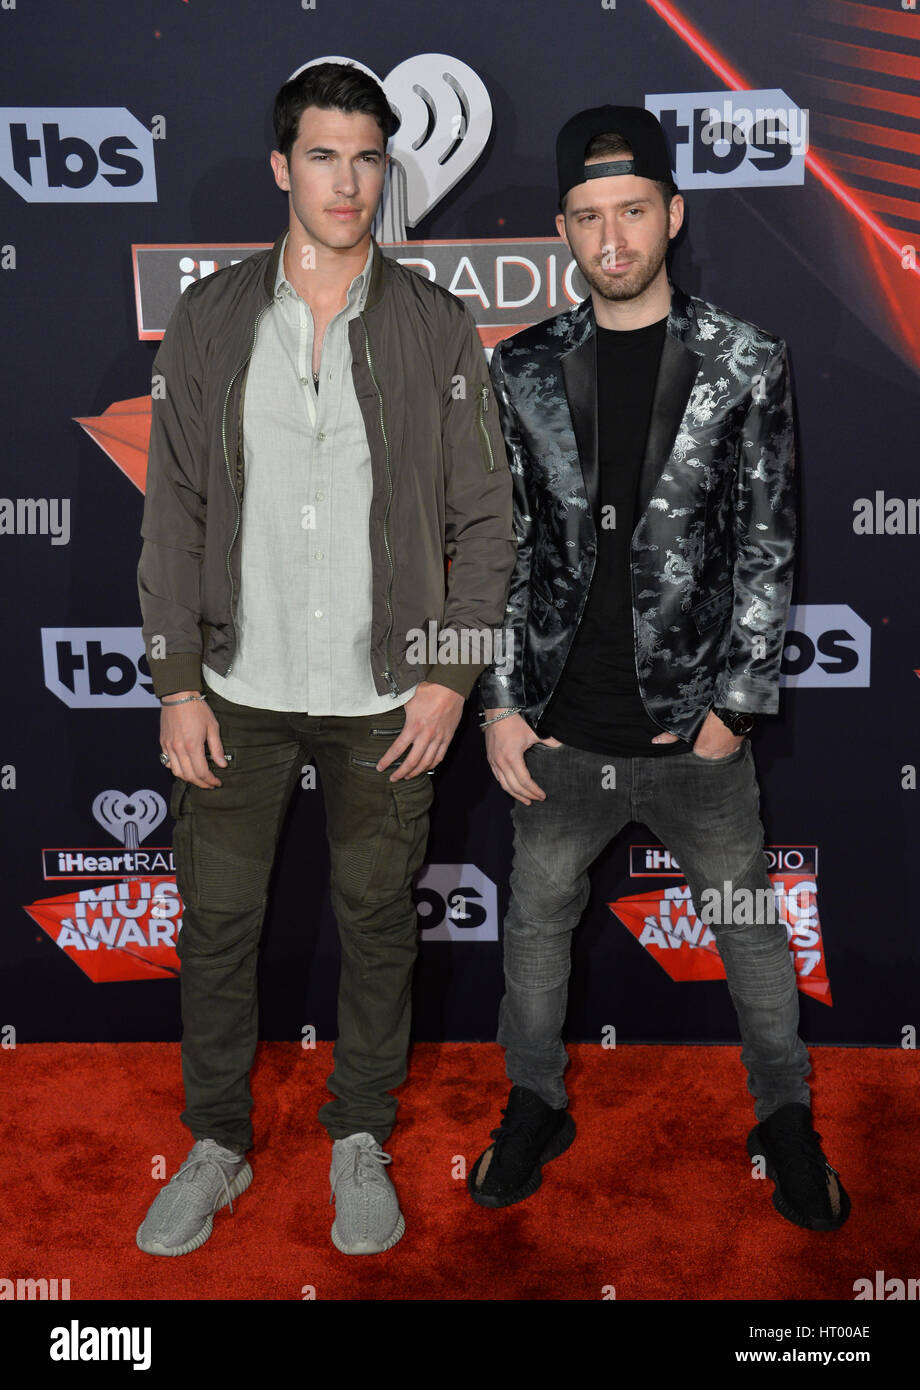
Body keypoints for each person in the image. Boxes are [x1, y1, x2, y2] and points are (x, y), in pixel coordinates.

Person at [135, 62, 514, 1257]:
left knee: (376, 923)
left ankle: (358, 1132)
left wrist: (450, 677)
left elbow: (484, 518)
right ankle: (215, 1142)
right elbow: (173, 510)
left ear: (382, 171)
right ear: (280, 167)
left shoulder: (433, 318)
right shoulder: (209, 317)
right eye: (321, 156)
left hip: (384, 695)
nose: (344, 182)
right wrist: (177, 677)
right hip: (238, 688)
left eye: (364, 159)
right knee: (218, 924)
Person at [470, 105, 848, 1232]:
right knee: (533, 932)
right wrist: (498, 708)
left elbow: (768, 542)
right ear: (563, 230)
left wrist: (735, 707)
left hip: (696, 734)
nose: (611, 234)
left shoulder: (746, 359)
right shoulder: (520, 367)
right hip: (558, 731)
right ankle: (532, 1102)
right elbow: (504, 547)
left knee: (746, 928)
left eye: (631, 209)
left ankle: (782, 1115)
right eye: (587, 217)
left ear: (670, 214)